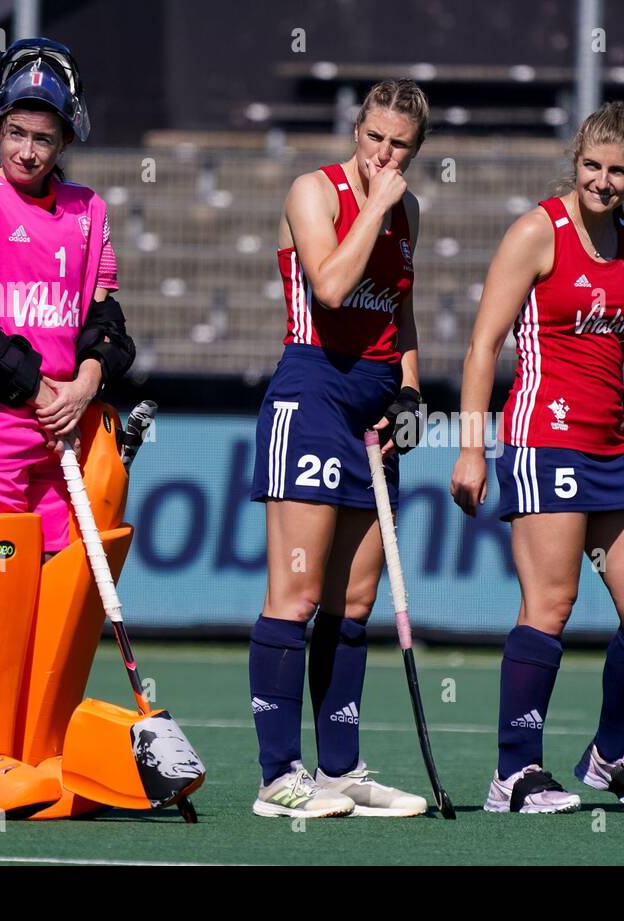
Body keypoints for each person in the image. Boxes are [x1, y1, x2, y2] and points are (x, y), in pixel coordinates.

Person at [0, 38, 135, 815]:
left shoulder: (89, 212)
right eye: (17, 133)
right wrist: (41, 388)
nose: (29, 150)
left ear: (65, 140)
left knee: (49, 601)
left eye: (44, 138)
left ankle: (28, 753)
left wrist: (84, 382)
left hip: (58, 433)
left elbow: (106, 319)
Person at [450, 102, 624, 813]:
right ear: (576, 161)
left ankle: (611, 753)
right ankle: (514, 773)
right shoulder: (537, 232)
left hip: (612, 446)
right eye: (592, 165)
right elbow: (482, 344)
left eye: (617, 171)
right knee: (549, 605)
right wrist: (471, 447)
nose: (602, 181)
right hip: (544, 439)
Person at [247, 79, 430, 819]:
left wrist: (412, 395)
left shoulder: (409, 208)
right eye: (375, 138)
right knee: (295, 596)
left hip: (374, 407)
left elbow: (402, 313)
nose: (385, 155)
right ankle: (276, 777)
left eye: (402, 146)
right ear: (357, 130)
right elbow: (329, 285)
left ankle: (339, 770)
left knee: (352, 604)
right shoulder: (313, 192)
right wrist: (378, 207)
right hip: (312, 393)